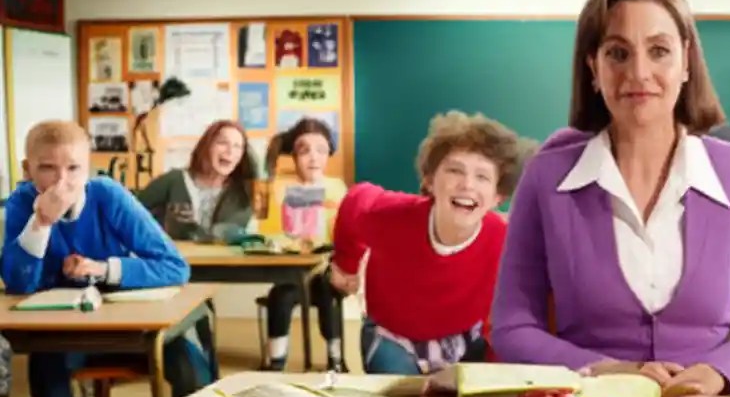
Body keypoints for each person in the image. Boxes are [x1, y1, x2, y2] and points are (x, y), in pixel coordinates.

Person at [488, 0, 730, 396]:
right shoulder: (546, 178)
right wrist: (597, 370)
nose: (639, 72)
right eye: (617, 53)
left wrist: (718, 372)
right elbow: (512, 325)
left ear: (685, 62)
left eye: (659, 51)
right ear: (593, 68)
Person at [1, 121, 209, 397]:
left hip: (129, 323)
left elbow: (175, 266)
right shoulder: (23, 202)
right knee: (45, 363)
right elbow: (19, 283)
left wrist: (104, 269)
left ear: (88, 167)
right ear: (27, 170)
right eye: (47, 168)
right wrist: (41, 223)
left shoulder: (108, 195)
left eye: (73, 169)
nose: (61, 182)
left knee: (186, 358)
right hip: (66, 329)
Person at [330, 111, 528, 375]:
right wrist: (346, 264)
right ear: (430, 181)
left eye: (482, 177)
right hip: (392, 334)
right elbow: (355, 200)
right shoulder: (390, 215)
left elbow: (506, 319)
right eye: (455, 170)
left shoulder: (507, 240)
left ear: (497, 196)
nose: (467, 184)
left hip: (461, 336)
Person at [257, 118, 349, 371]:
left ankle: (336, 359)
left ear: (329, 154)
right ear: (294, 156)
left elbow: (345, 233)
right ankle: (276, 360)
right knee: (281, 296)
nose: (313, 157)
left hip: (324, 269)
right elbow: (270, 232)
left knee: (327, 295)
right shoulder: (282, 188)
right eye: (304, 150)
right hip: (291, 268)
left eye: (320, 150)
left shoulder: (336, 187)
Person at [136, 119, 258, 241]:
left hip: (224, 259)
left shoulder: (244, 192)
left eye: (238, 146)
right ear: (206, 146)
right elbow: (130, 213)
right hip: (175, 257)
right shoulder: (174, 180)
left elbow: (233, 233)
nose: (230, 151)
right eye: (222, 143)